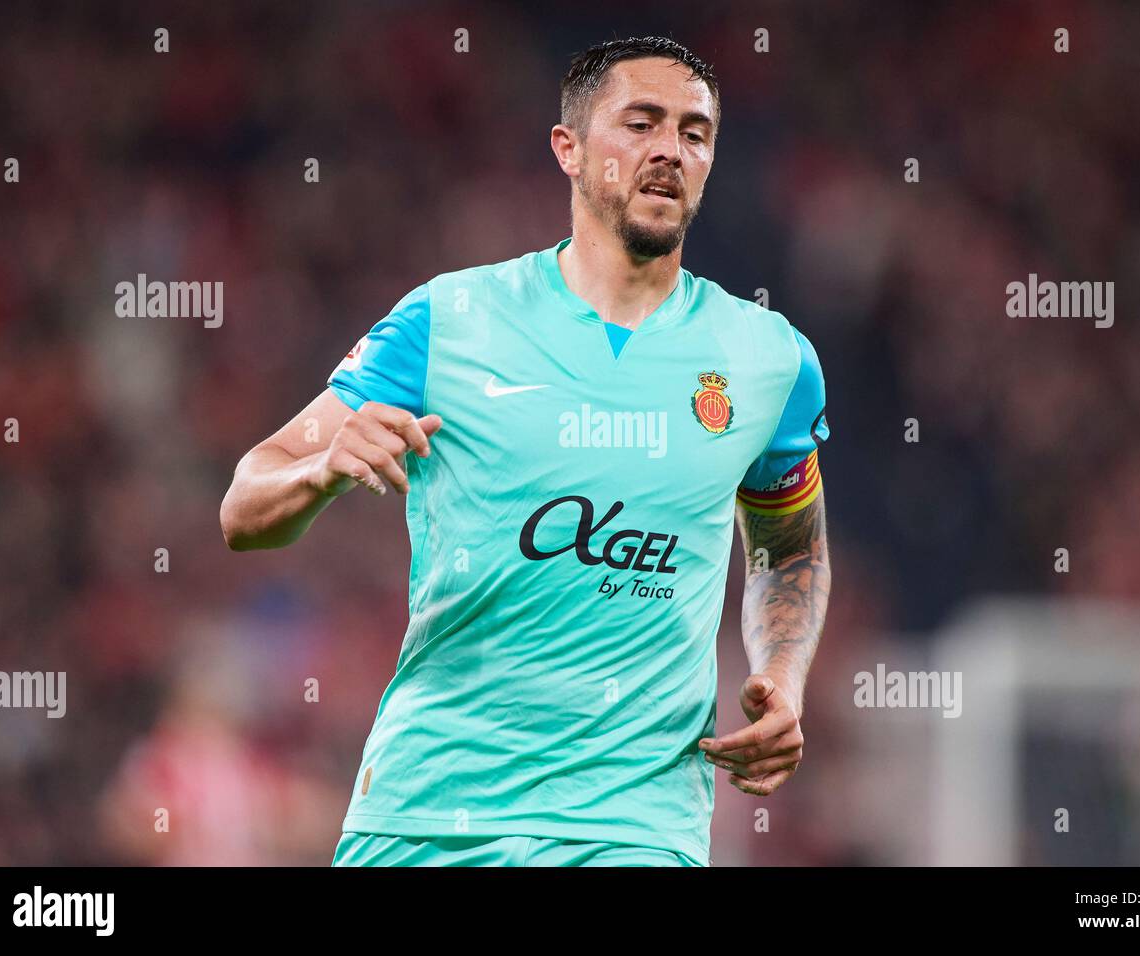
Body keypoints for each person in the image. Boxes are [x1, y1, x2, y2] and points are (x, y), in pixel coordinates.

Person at [220, 36, 831, 867]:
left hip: (634, 827)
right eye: (640, 123)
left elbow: (789, 549)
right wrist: (321, 471)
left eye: (694, 132)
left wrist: (784, 680)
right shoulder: (448, 321)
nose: (668, 151)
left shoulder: (770, 360)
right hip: (426, 814)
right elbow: (244, 512)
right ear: (569, 149)